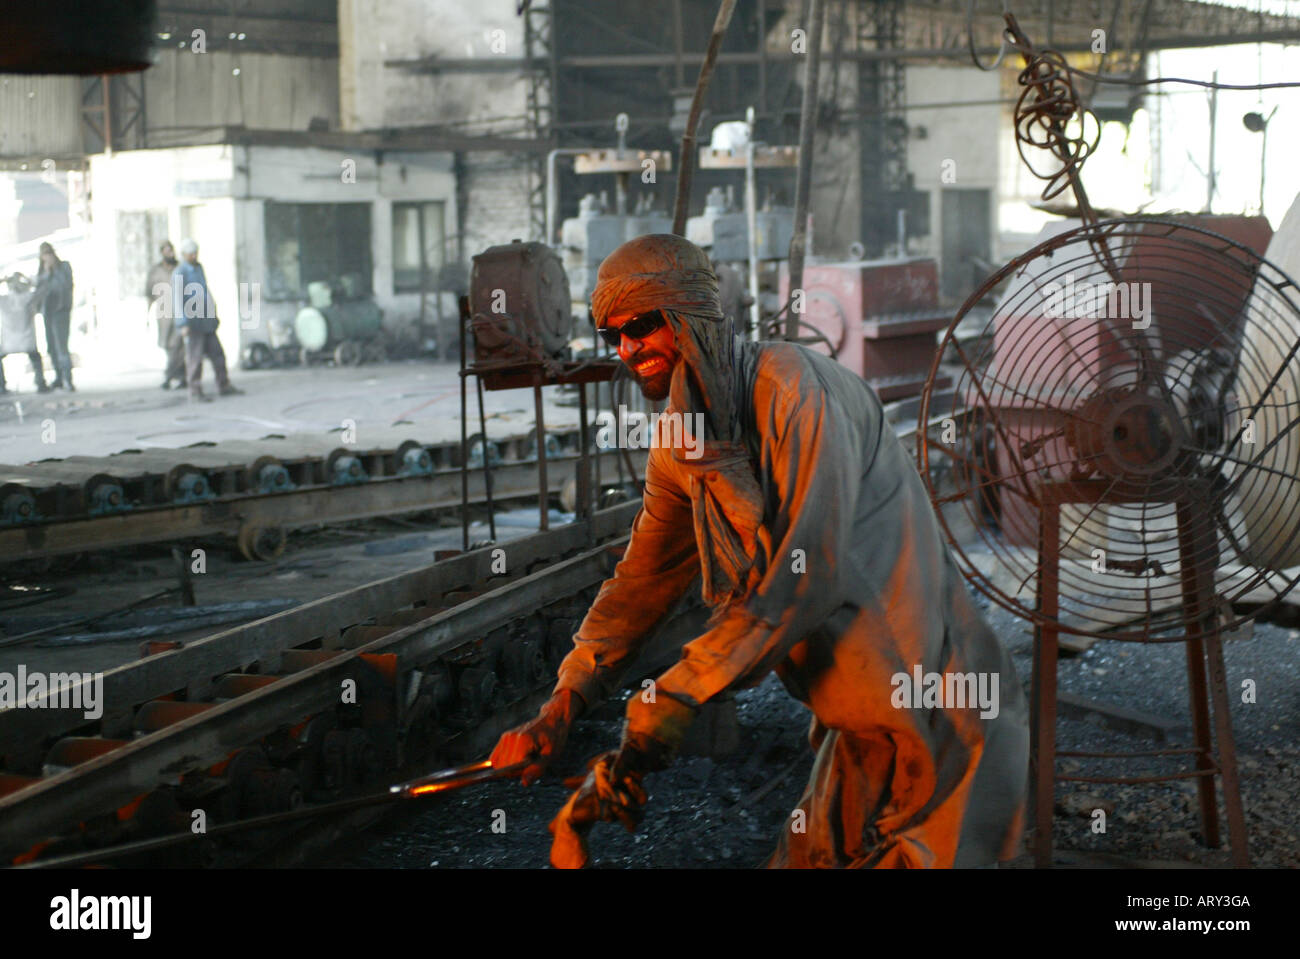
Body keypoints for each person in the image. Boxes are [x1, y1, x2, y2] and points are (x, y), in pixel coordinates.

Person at [491, 234, 1029, 869]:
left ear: (692, 317)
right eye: (613, 334)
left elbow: (807, 576)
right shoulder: (682, 442)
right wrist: (563, 702)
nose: (627, 349)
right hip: (856, 727)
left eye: (641, 325)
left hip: (940, 714)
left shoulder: (797, 393)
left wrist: (673, 694)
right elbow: (641, 582)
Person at [171, 239, 241, 402]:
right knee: (195, 358)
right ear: (183, 255)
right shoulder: (180, 272)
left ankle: (223, 385)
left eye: (196, 252)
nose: (194, 256)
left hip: (206, 319)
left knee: (218, 354)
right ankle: (195, 392)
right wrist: (183, 323)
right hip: (192, 321)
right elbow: (177, 299)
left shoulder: (198, 268)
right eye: (191, 253)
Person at [32, 242, 74, 391]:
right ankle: (58, 377)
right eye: (44, 255)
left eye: (49, 254)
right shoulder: (42, 271)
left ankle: (68, 378)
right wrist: (46, 273)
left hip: (61, 311)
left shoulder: (64, 267)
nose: (47, 257)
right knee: (51, 347)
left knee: (61, 346)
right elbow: (38, 289)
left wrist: (54, 270)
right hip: (47, 312)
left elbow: (67, 284)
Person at [0, 272, 50, 394]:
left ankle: (1, 386)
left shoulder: (4, 300)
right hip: (27, 341)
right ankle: (40, 384)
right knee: (35, 358)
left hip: (9, 342)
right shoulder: (28, 298)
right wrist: (29, 279)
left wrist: (2, 280)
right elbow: (44, 287)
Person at [147, 240, 186, 390]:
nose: (171, 253)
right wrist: (147, 314)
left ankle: (170, 377)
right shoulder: (156, 271)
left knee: (177, 346)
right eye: (167, 251)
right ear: (162, 252)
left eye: (172, 250)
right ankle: (180, 376)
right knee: (168, 346)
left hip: (180, 311)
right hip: (163, 314)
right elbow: (149, 293)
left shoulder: (180, 268)